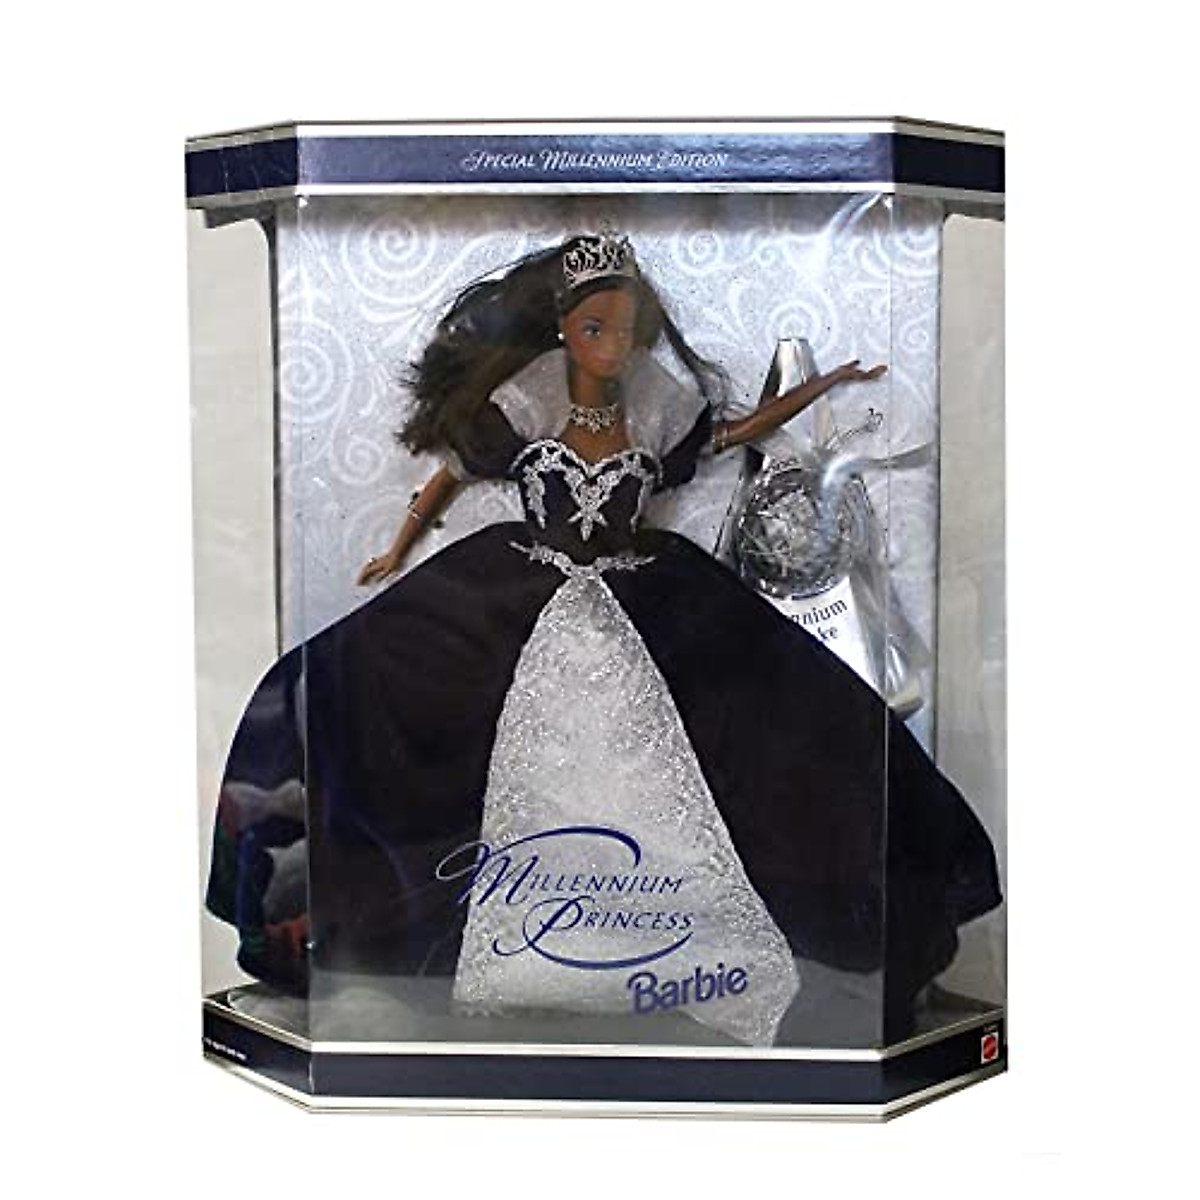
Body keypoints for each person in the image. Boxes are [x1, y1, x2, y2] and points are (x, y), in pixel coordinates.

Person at [207, 231, 1000, 1047]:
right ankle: (437, 937)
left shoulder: (656, 405)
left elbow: (739, 433)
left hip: (647, 586)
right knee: (360, 677)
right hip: (519, 581)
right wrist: (397, 548)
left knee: (785, 709)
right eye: (596, 328)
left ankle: (722, 941)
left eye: (625, 331)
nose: (613, 345)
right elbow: (449, 475)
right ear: (564, 327)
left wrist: (825, 384)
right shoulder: (528, 400)